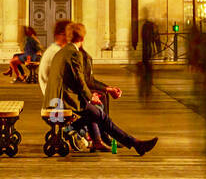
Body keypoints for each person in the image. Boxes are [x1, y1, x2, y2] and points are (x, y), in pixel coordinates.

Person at [46, 22, 156, 155]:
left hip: (55, 98)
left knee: (94, 113)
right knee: (101, 116)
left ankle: (73, 132)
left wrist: (96, 93)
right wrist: (90, 97)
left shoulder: (62, 52)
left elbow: (74, 81)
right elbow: (80, 81)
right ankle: (135, 143)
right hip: (66, 100)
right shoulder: (75, 54)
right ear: (82, 38)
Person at [36, 18, 70, 97]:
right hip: (57, 98)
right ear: (62, 35)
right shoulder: (56, 52)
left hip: (56, 94)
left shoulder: (56, 50)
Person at [138, 18, 161, 101]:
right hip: (149, 50)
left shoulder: (145, 26)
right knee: (148, 68)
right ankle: (148, 86)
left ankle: (145, 86)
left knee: (147, 67)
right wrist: (159, 50)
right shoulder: (152, 27)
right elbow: (156, 38)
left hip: (145, 49)